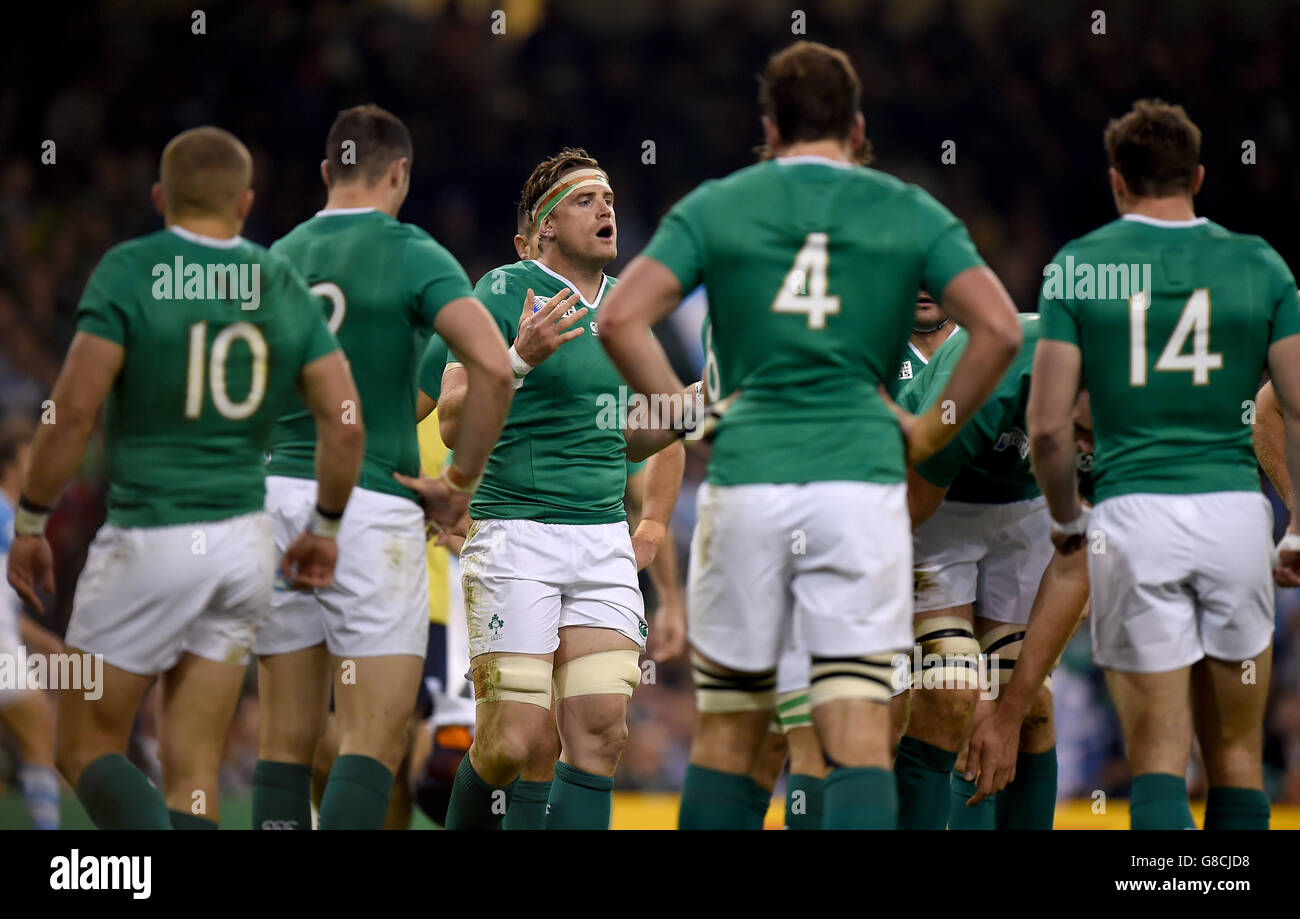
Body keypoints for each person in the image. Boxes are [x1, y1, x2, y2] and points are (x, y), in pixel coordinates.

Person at [598, 40, 1021, 829]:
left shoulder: (720, 203)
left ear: (768, 124)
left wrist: (699, 417)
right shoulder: (905, 208)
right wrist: (929, 430)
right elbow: (999, 328)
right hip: (860, 485)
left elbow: (621, 317)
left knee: (730, 733)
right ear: (857, 127)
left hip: (750, 481)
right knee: (858, 729)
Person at [6, 126, 365, 830]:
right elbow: (344, 423)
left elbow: (72, 409)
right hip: (243, 546)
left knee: (82, 745)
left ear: (160, 197)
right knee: (193, 768)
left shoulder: (131, 270)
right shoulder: (280, 279)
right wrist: (324, 527)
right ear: (246, 203)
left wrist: (29, 520)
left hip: (151, 537)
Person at [1028, 98, 1300, 830]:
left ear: (1117, 181)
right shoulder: (1260, 262)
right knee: (1239, 754)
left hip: (1132, 515)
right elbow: (1299, 402)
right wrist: (1298, 522)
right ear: (1201, 176)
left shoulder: (1081, 266)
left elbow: (1050, 428)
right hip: (1236, 516)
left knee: (1156, 756)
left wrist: (1064, 520)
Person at [251, 105, 513, 830]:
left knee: (285, 738)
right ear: (399, 172)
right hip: (371, 502)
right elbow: (492, 367)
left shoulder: (274, 258)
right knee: (374, 736)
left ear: (325, 172)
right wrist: (458, 485)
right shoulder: (415, 254)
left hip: (271, 499)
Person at [409, 148, 686, 830]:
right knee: (511, 742)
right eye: (586, 199)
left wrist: (694, 412)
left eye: (610, 197)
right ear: (546, 224)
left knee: (600, 734)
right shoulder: (501, 293)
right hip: (515, 534)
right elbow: (447, 419)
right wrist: (517, 359)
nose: (606, 209)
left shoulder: (627, 308)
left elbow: (640, 429)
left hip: (600, 539)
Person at [893, 313, 1060, 830]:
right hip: (933, 501)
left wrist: (1009, 708)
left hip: (1031, 509)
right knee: (952, 694)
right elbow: (906, 511)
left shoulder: (1121, 406)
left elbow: (1080, 569)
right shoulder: (982, 379)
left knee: (1030, 708)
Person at [0, 418, 61, 829]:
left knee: (38, 729)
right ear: (8, 466)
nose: (37, 468)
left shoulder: (14, 519)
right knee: (41, 727)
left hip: (7, 640)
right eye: (29, 459)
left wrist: (47, 643)